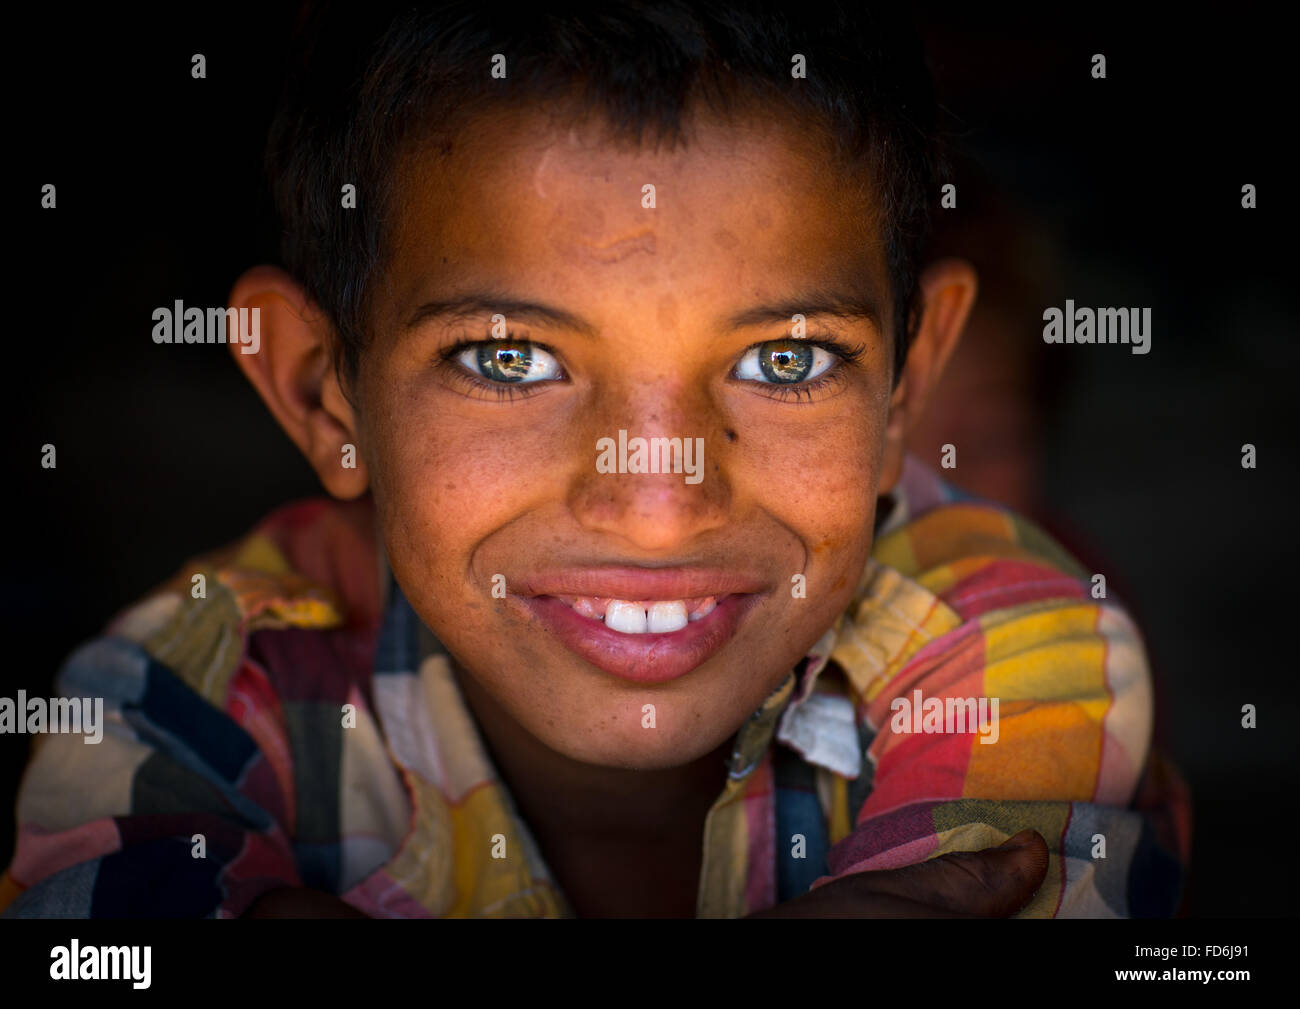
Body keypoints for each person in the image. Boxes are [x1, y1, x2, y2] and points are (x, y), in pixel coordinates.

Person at [1, 1, 1188, 918]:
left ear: (902, 391)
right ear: (322, 391)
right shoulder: (179, 691)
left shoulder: (1017, 639)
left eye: (784, 362)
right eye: (510, 359)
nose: (660, 506)